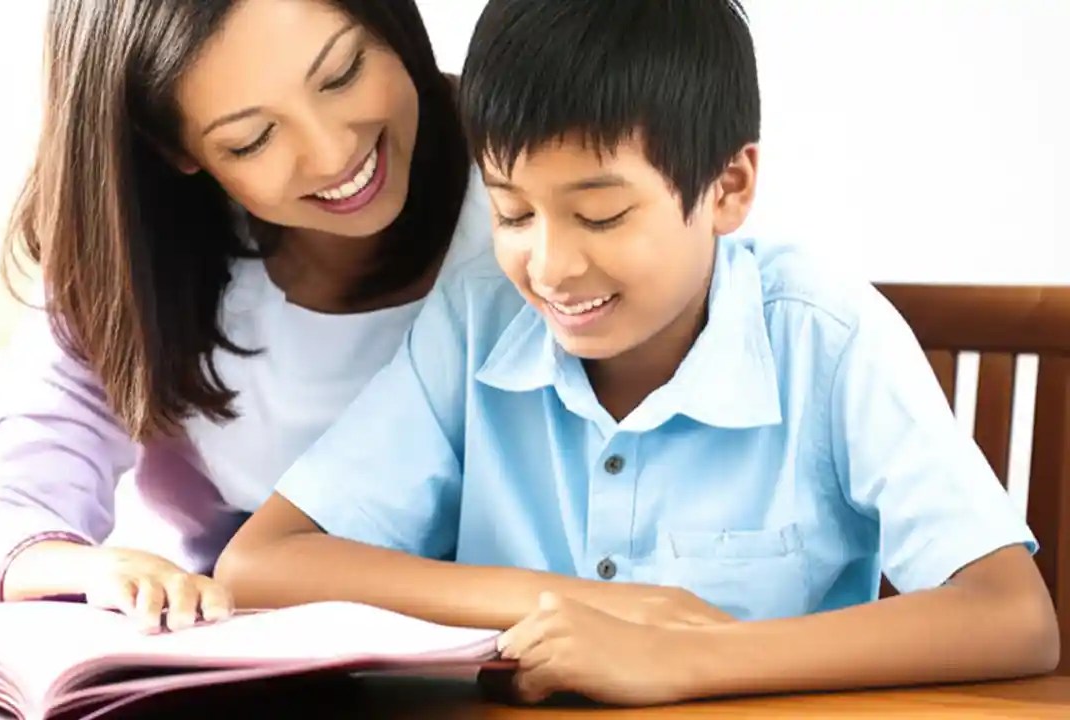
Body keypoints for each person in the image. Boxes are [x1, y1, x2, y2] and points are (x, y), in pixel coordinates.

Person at [215, 0, 1059, 705]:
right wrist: (584, 608)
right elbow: (260, 563)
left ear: (728, 189)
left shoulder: (825, 336)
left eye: (602, 215)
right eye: (511, 214)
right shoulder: (477, 319)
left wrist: (678, 659)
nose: (549, 267)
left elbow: (1012, 617)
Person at [0, 0, 492, 633]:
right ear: (172, 148)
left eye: (342, 73)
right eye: (252, 139)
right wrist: (93, 570)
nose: (332, 154)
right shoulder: (143, 260)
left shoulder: (541, 173)